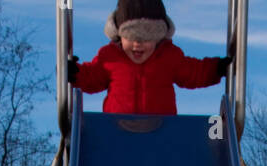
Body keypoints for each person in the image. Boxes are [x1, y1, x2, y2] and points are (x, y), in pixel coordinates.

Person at [67, 0, 230, 117]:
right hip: (118, 129)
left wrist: (216, 68)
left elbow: (193, 72)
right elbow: (93, 76)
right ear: (118, 34)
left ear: (158, 37)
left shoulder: (168, 56)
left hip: (160, 130)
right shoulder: (110, 57)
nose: (138, 43)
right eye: (131, 36)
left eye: (147, 38)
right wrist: (76, 73)